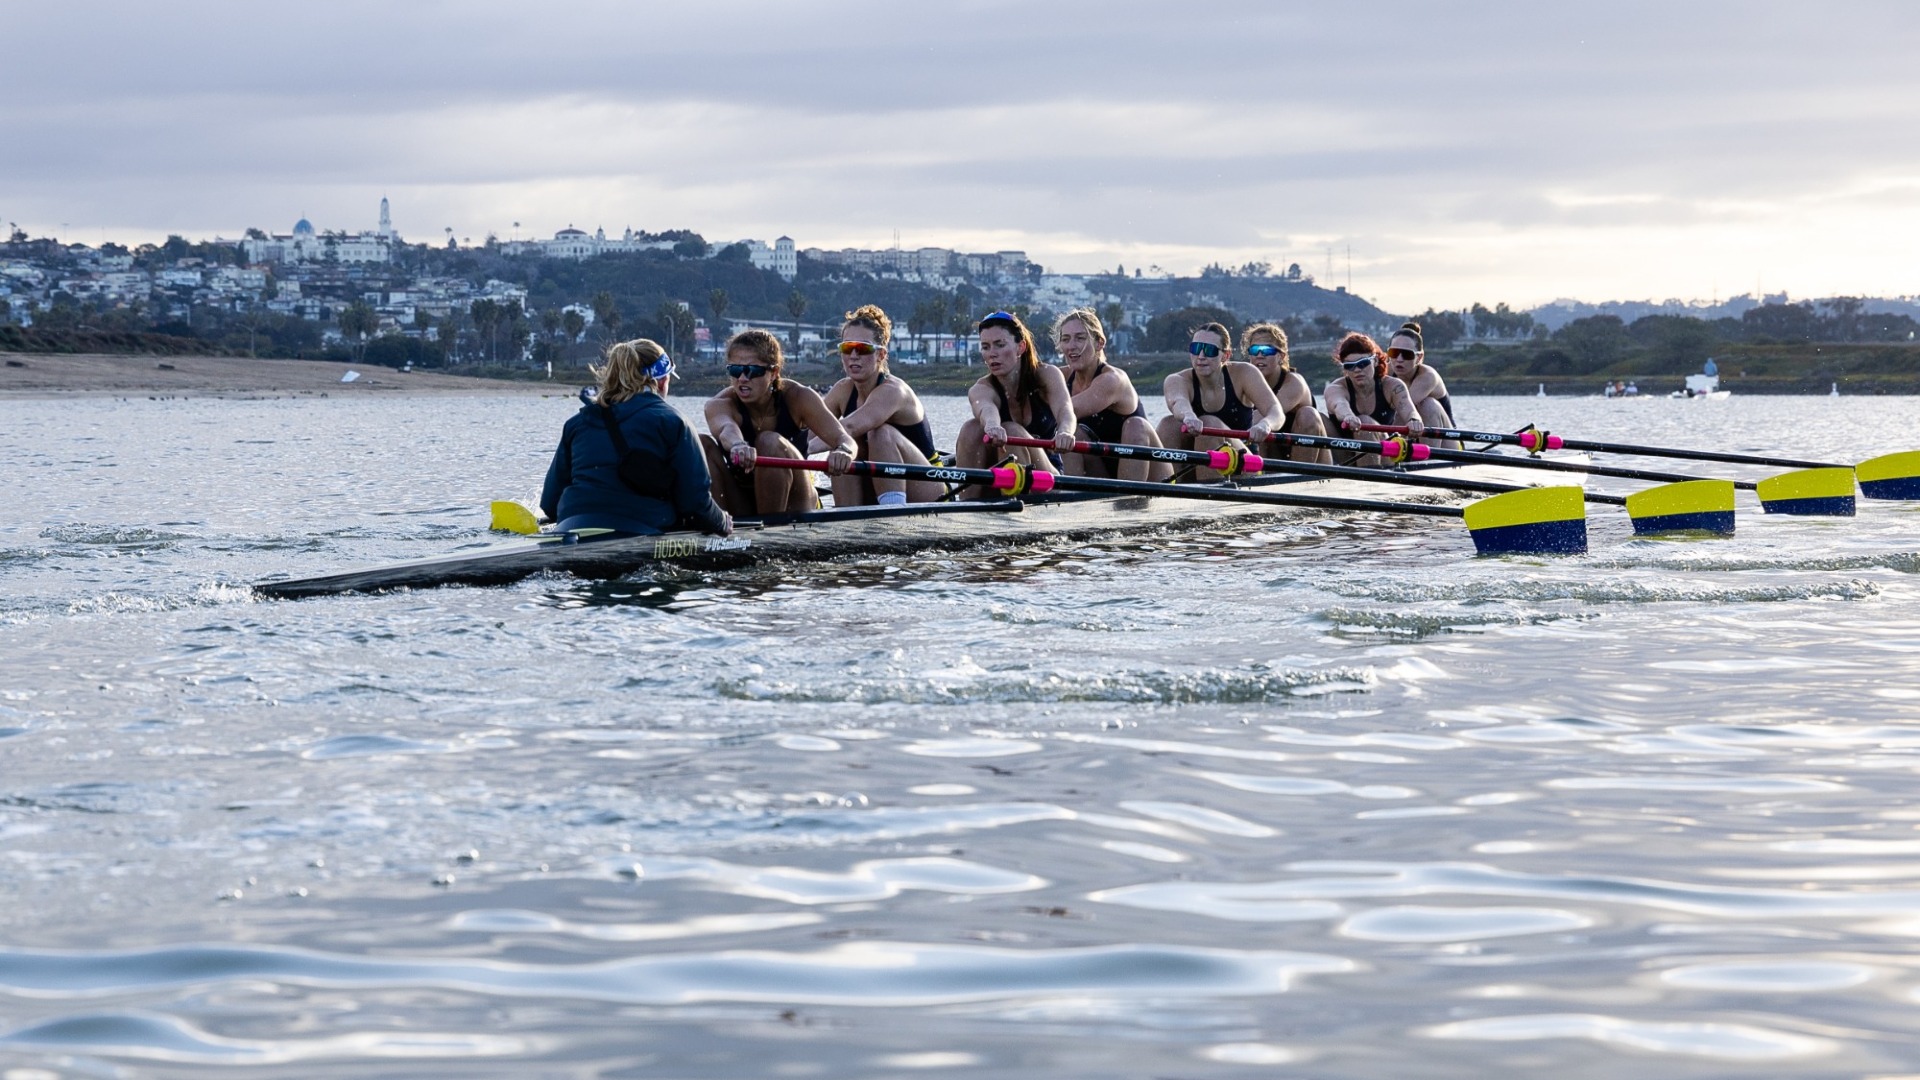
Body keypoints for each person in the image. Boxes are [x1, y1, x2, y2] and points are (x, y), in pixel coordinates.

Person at [540, 338, 731, 537]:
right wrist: (721, 521)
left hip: (570, 527)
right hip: (640, 527)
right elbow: (695, 504)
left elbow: (549, 504)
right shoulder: (673, 421)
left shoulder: (577, 423)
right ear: (662, 380)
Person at [702, 328, 855, 516]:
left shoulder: (799, 398)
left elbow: (845, 440)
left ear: (773, 373)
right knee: (701, 444)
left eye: (752, 371)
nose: (742, 378)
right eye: (735, 370)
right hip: (742, 503)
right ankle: (715, 526)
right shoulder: (719, 404)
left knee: (769, 442)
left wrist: (843, 452)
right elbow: (727, 429)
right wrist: (738, 445)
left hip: (796, 501)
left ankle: (770, 534)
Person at [817, 304, 945, 506]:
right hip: (879, 481)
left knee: (879, 433)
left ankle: (891, 519)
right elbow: (810, 431)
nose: (853, 356)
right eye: (847, 348)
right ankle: (845, 525)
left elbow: (848, 427)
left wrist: (802, 448)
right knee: (839, 449)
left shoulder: (894, 391)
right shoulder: (842, 390)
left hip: (930, 485)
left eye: (863, 349)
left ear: (881, 355)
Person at [955, 310, 1076, 498]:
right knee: (971, 428)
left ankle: (1015, 505)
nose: (992, 354)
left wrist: (1066, 432)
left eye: (999, 345)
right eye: (985, 347)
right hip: (1002, 477)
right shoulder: (981, 388)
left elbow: (1065, 411)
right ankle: (968, 504)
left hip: (1046, 477)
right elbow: (986, 409)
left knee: (1011, 430)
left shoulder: (1047, 375)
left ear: (1020, 347)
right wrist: (993, 427)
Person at [1158, 321, 1282, 481]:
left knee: (1208, 422)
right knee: (1169, 425)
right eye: (1196, 349)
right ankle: (1169, 491)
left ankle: (1209, 493)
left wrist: (1265, 425)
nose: (1201, 356)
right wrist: (1189, 416)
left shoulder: (1244, 373)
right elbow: (1178, 402)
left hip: (1244, 462)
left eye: (1209, 351)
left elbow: (1275, 411)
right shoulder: (1177, 380)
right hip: (1197, 463)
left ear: (1226, 355)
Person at [1054, 308, 1169, 482]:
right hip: (1103, 473)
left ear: (1099, 343)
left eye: (1080, 338)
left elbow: (1069, 410)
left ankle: (1128, 503)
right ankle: (1072, 500)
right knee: (1072, 432)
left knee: (1136, 425)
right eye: (1066, 339)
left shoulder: (1113, 380)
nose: (1071, 346)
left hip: (1152, 476)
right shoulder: (1059, 377)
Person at [1322, 331, 1422, 468]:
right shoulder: (1336, 388)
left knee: (1365, 423)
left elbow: (1409, 410)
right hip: (1345, 454)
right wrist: (1348, 416)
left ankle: (1370, 479)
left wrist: (1414, 421)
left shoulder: (1392, 386)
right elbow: (1339, 404)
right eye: (1349, 366)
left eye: (1363, 363)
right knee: (1314, 416)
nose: (1357, 370)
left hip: (1384, 454)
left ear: (1375, 361)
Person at [1241, 322, 1331, 464]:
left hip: (1312, 460)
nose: (1260, 355)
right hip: (1273, 454)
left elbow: (1266, 414)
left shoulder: (1294, 383)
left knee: (1307, 414)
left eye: (1267, 350)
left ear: (1281, 356)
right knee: (1261, 433)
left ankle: (1299, 479)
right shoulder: (1244, 384)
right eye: (1254, 350)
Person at [1381, 321, 1459, 449]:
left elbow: (1403, 409)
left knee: (1427, 404)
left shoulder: (1427, 376)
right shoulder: (1385, 372)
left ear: (1419, 357)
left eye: (1407, 354)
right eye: (1394, 353)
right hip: (1409, 437)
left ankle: (1429, 461)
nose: (1399, 359)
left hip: (1448, 443)